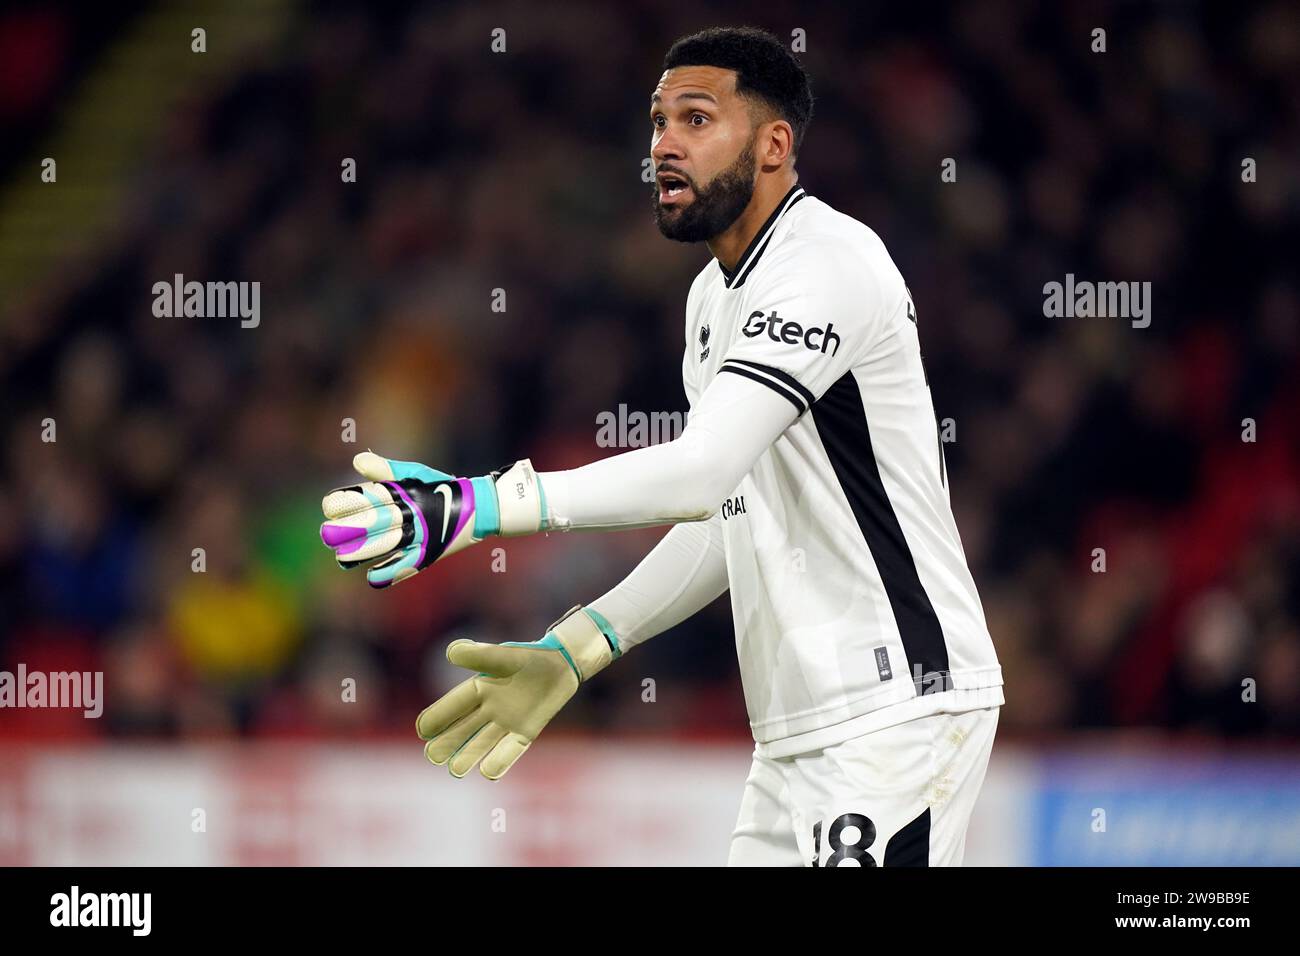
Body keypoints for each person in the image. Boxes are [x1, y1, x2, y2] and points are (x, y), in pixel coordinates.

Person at [319, 26, 1003, 867]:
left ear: (774, 145)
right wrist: (582, 645)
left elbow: (699, 470)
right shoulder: (713, 299)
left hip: (896, 708)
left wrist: (481, 505)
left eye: (696, 119)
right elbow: (731, 511)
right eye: (657, 123)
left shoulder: (828, 264)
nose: (664, 145)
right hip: (797, 734)